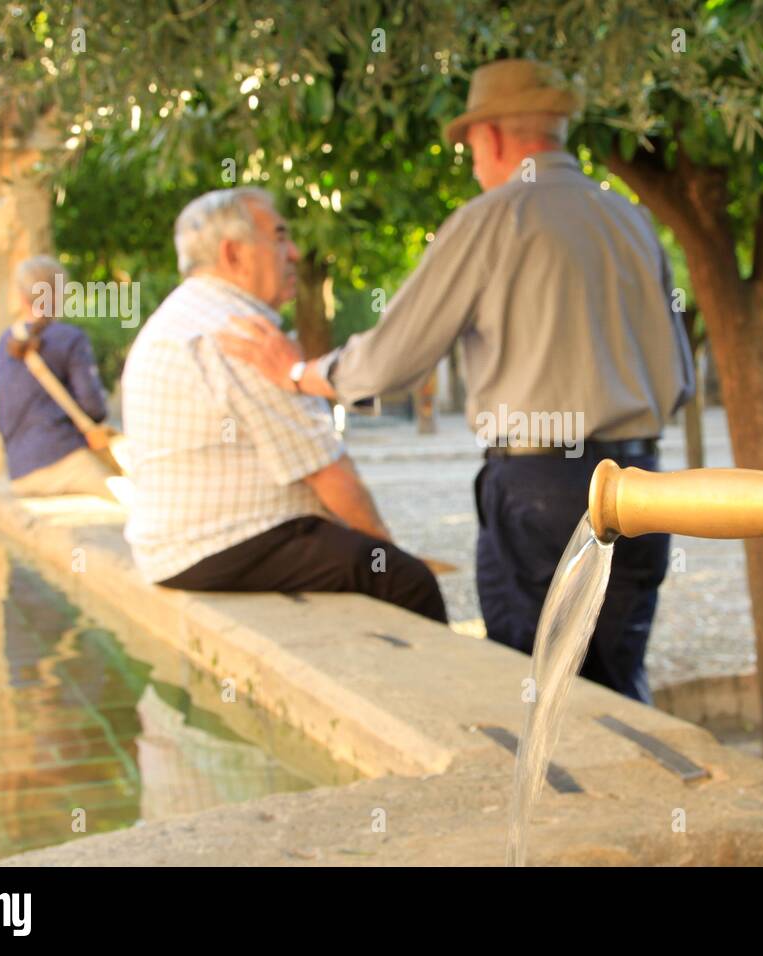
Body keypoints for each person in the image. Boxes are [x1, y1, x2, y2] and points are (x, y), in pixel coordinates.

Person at [217, 60, 693, 702]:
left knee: (542, 700)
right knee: (619, 690)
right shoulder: (631, 220)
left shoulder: (492, 219)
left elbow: (390, 363)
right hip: (642, 485)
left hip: (542, 493)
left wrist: (296, 372)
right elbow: (680, 378)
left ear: (492, 138)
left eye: (470, 146)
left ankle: (559, 808)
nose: (472, 161)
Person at [120, 188, 446, 624]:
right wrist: (387, 549)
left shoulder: (185, 315)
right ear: (233, 253)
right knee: (404, 579)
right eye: (278, 237)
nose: (293, 253)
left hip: (179, 547)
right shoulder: (239, 333)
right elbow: (327, 472)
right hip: (218, 545)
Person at [0, 256, 119, 502]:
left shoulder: (4, 342)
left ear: (21, 297)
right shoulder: (69, 338)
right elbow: (94, 408)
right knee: (137, 500)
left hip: (19, 470)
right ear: (60, 294)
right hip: (64, 461)